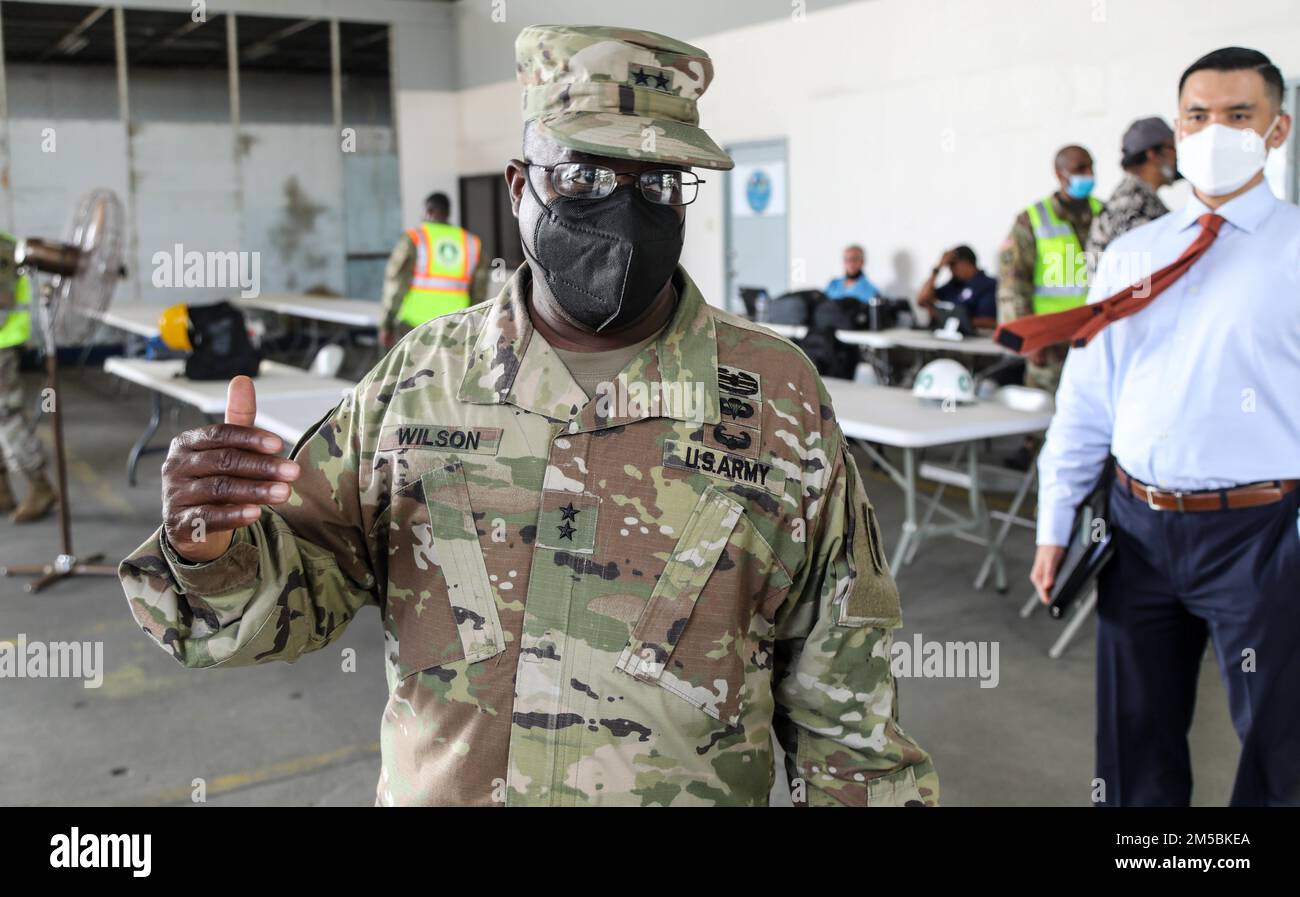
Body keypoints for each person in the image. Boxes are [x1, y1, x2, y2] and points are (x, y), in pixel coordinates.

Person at [119, 24, 938, 808]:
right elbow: (296, 594)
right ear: (520, 185)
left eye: (655, 183)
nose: (621, 210)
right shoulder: (422, 379)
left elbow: (849, 708)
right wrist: (209, 549)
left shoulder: (773, 395)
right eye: (581, 175)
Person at [1017, 47, 1299, 806]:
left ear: (1277, 130)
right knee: (1134, 745)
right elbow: (1087, 398)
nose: (1216, 131)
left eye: (1239, 115)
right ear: (1177, 129)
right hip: (1136, 531)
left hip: (1263, 536)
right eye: (1198, 116)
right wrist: (1054, 522)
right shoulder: (1135, 254)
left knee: (1283, 747)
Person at [996, 144, 1103, 394]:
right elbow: (1013, 283)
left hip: (1096, 337)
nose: (1087, 174)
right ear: (1059, 174)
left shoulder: (1105, 213)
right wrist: (1027, 338)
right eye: (1079, 169)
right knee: (1045, 417)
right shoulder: (1032, 219)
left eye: (1090, 167)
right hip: (1050, 342)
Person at [378, 191, 490, 349]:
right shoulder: (471, 243)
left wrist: (386, 324)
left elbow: (396, 284)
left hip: (413, 327)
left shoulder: (415, 239)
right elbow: (479, 293)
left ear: (429, 210)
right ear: (448, 213)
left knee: (411, 373)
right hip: (455, 327)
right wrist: (474, 327)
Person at [0, 235, 55, 523]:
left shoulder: (3, 248)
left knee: (6, 416)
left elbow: (3, 303)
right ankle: (2, 490)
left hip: (1, 345)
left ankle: (39, 484)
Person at [1085, 116, 1178, 271]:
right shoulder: (1131, 203)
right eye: (1172, 149)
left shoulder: (1139, 197)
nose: (1176, 157)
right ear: (1152, 154)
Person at [916, 245, 998, 330]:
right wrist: (938, 268)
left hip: (975, 340)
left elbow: (990, 321)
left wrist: (954, 320)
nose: (951, 269)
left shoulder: (988, 284)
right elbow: (922, 300)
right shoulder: (953, 284)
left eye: (953, 265)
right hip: (946, 337)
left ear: (966, 263)